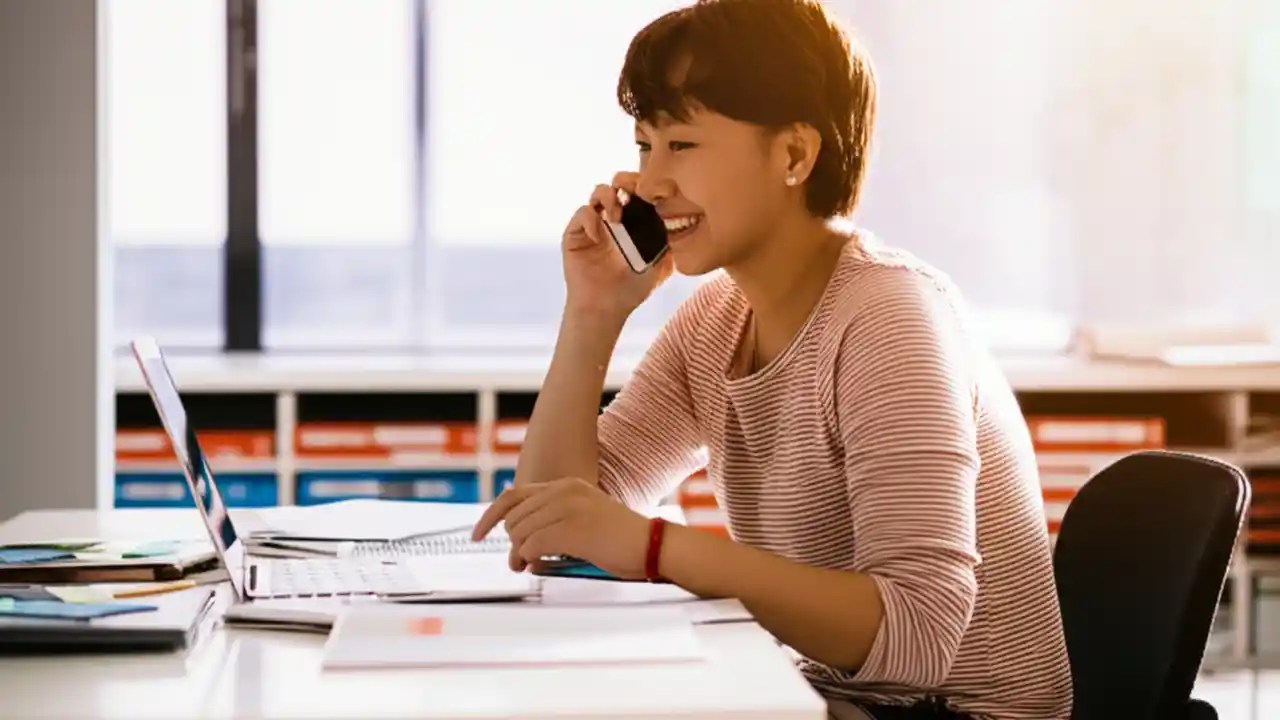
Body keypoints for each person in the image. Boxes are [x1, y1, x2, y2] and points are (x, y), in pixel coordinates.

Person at [472, 1, 1072, 717]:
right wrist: (593, 314)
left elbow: (917, 635)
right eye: (644, 146)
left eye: (682, 146)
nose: (650, 183)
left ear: (793, 155)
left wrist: (655, 548)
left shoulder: (889, 320)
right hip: (830, 698)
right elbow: (554, 533)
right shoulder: (717, 320)